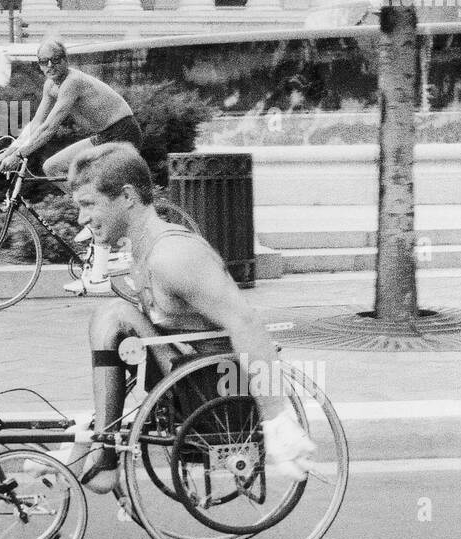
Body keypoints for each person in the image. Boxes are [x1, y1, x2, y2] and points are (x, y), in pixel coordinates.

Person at [64, 141, 316, 494]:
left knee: (112, 317)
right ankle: (97, 439)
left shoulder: (174, 255)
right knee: (113, 316)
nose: (82, 219)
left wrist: (277, 418)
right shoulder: (143, 249)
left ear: (127, 196)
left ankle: (105, 458)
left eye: (89, 205)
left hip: (214, 390)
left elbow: (245, 322)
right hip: (185, 377)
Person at [0, 39, 141, 295]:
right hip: (103, 134)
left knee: (98, 198)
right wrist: (11, 149)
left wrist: (20, 155)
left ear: (66, 60)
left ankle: (101, 272)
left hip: (122, 132)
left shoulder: (72, 82)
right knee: (53, 167)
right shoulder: (51, 84)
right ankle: (94, 224)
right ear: (39, 65)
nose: (49, 66)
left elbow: (50, 129)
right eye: (43, 61)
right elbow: (37, 124)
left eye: (55, 60)